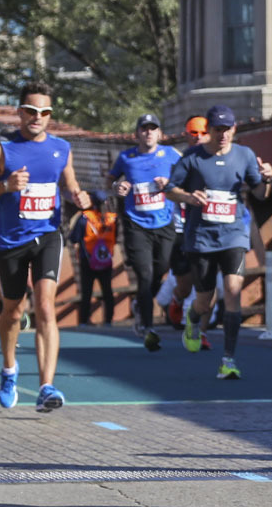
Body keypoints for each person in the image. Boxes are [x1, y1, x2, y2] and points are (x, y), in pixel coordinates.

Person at [0, 82, 92, 411]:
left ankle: (46, 387)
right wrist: (4, 186)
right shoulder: (1, 147)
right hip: (10, 239)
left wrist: (79, 197)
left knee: (47, 307)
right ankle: (9, 369)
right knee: (12, 312)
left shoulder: (61, 148)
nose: (38, 118)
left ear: (50, 115)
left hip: (48, 234)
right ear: (20, 112)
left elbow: (70, 186)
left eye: (45, 112)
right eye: (31, 111)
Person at [164, 106, 272, 380]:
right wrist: (189, 198)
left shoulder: (244, 155)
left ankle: (229, 359)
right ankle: (193, 319)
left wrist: (267, 179)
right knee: (205, 298)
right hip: (201, 236)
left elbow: (260, 193)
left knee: (234, 291)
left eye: (228, 129)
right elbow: (170, 189)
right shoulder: (193, 157)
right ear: (210, 130)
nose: (223, 134)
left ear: (234, 129)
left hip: (234, 233)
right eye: (217, 129)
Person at [112, 113, 180, 350]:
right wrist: (117, 187)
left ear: (160, 133)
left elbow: (186, 179)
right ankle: (148, 327)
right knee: (145, 274)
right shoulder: (126, 157)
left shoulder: (171, 155)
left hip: (164, 223)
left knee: (160, 270)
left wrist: (169, 185)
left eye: (153, 129)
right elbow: (110, 180)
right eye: (144, 129)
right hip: (136, 224)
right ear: (137, 134)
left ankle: (141, 305)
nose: (148, 133)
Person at [164, 115, 210, 344]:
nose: (199, 137)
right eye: (194, 133)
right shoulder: (176, 160)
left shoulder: (217, 159)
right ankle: (177, 299)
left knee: (209, 282)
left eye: (203, 132)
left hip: (208, 228)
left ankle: (199, 332)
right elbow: (167, 190)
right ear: (186, 135)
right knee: (186, 283)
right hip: (180, 228)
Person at [69, 193, 119, 325]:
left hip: (88, 260)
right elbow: (116, 237)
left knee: (86, 292)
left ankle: (84, 321)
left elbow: (73, 237)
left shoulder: (85, 218)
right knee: (107, 291)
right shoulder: (112, 219)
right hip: (106, 260)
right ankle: (108, 320)